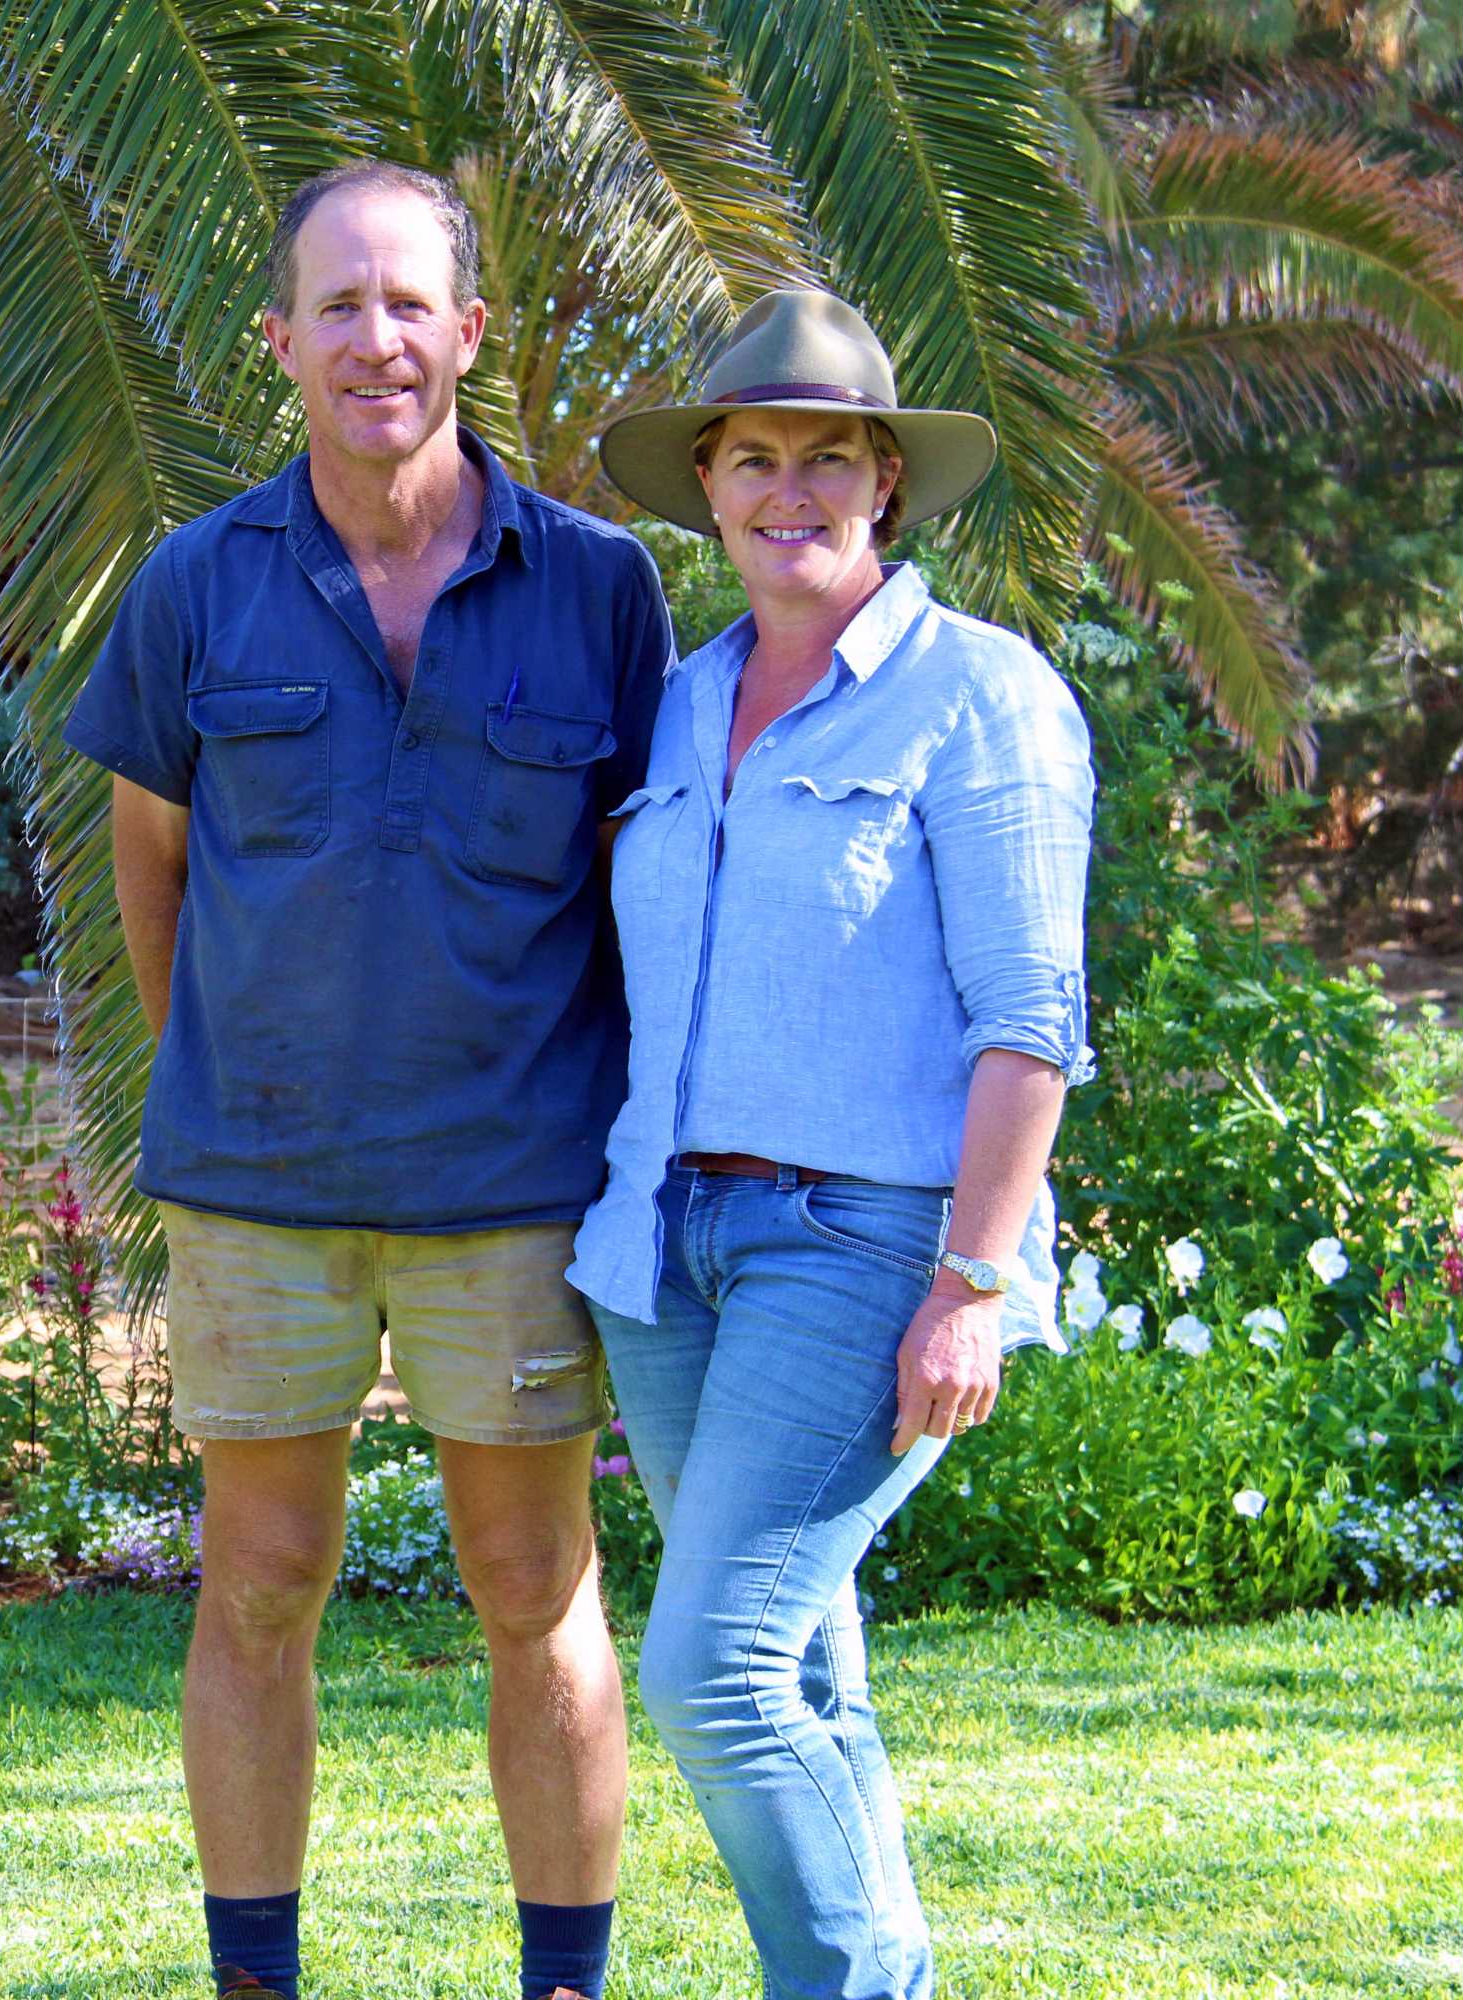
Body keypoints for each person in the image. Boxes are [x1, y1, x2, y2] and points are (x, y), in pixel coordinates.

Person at [64, 161, 672, 2000]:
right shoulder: (195, 586)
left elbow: (645, 887)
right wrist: (230, 1079)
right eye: (338, 305)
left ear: (469, 331)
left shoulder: (601, 592)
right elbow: (148, 861)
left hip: (514, 1193)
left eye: (410, 302)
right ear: (281, 342)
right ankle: (258, 1981)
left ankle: (562, 1982)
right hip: (260, 1195)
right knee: (255, 1587)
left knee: (533, 1592)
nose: (376, 340)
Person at [564, 288, 1094, 2000]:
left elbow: (1033, 1023)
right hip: (667, 1251)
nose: (791, 491)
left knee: (712, 1674)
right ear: (709, 485)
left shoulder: (979, 697)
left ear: (888, 487)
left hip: (868, 1247)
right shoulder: (669, 705)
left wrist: (973, 1281)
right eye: (755, 458)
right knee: (801, 1678)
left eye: (831, 461)